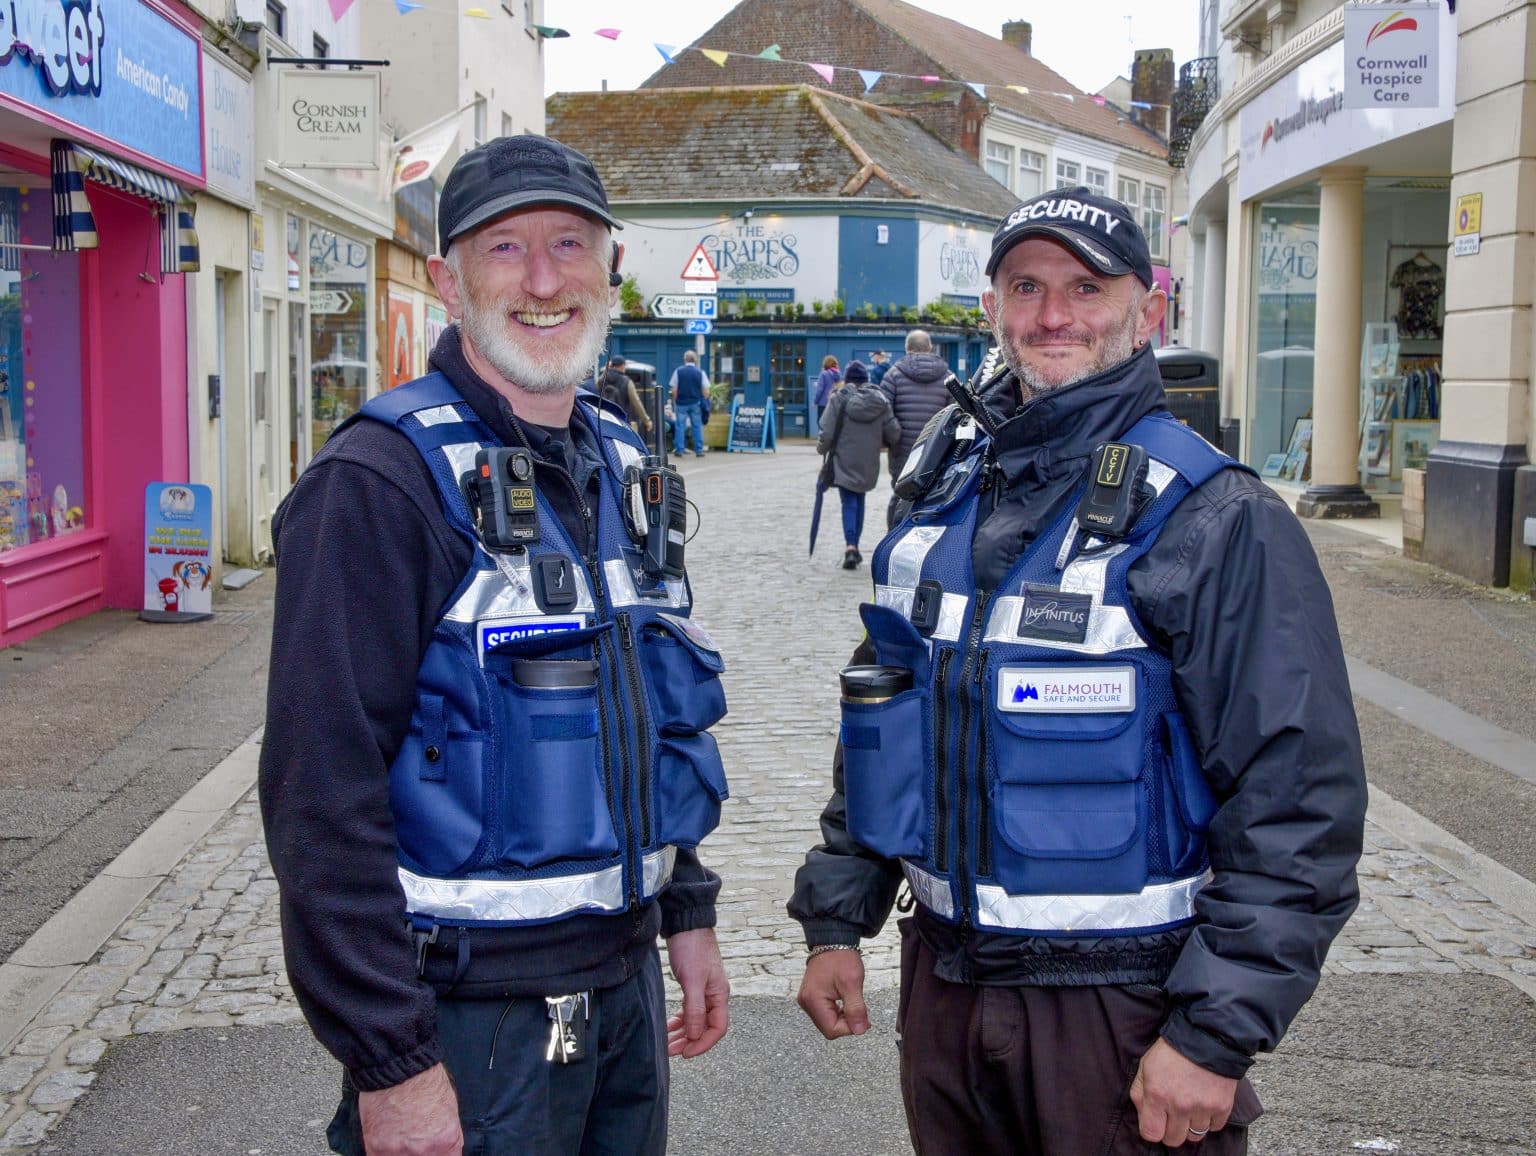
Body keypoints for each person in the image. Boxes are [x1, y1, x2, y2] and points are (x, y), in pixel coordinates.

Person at [789, 186, 1367, 1154]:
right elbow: (887, 723)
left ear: (1147, 311)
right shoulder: (940, 490)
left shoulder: (1215, 516)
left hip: (1121, 1013)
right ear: (992, 311)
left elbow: (1298, 801)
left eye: (1086, 287)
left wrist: (1214, 1034)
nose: (1053, 315)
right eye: (1027, 285)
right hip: (947, 994)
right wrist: (837, 914)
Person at [260, 134, 730, 1156]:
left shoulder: (621, 461)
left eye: (571, 243)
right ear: (447, 279)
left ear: (612, 269)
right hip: (468, 1019)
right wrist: (391, 1061)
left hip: (622, 992)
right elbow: (318, 794)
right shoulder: (379, 484)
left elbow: (653, 716)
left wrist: (684, 907)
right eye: (505, 248)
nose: (545, 278)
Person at [815, 359, 899, 571]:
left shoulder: (839, 399)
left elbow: (826, 431)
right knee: (859, 499)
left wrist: (821, 449)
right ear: (866, 380)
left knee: (848, 501)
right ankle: (854, 545)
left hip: (844, 458)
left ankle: (851, 546)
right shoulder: (880, 401)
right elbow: (894, 432)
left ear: (848, 380)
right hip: (868, 460)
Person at [878, 328, 953, 528]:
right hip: (936, 451)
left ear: (907, 348)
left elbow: (883, 411)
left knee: (900, 496)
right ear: (929, 348)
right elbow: (957, 415)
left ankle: (893, 540)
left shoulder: (893, 375)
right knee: (932, 498)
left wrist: (893, 437)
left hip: (902, 450)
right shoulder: (947, 377)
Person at [599, 354, 654, 437]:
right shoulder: (626, 381)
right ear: (622, 366)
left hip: (605, 417)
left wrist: (606, 369)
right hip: (622, 419)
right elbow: (636, 402)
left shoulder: (602, 380)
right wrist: (646, 420)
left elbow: (596, 385)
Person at [670, 350, 708, 457]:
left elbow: (674, 390)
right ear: (695, 360)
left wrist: (676, 400)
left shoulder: (678, 371)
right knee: (697, 426)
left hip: (681, 403)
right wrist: (703, 398)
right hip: (695, 403)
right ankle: (699, 450)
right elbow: (706, 391)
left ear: (685, 359)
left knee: (680, 426)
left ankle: (679, 450)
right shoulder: (700, 372)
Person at [813, 354, 840, 427]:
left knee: (821, 423)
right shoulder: (838, 374)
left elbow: (820, 389)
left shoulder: (823, 374)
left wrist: (815, 402)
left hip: (823, 403)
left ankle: (823, 438)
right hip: (834, 402)